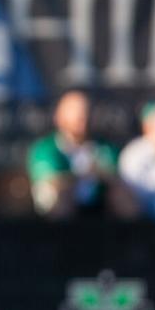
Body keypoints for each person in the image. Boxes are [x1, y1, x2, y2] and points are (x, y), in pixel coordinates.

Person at [26, 90, 121, 218]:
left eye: (86, 112)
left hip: (98, 207)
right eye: (77, 114)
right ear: (60, 116)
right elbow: (52, 181)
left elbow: (115, 176)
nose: (83, 117)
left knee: (121, 196)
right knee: (62, 197)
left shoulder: (105, 147)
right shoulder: (46, 149)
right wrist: (86, 174)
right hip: (59, 211)